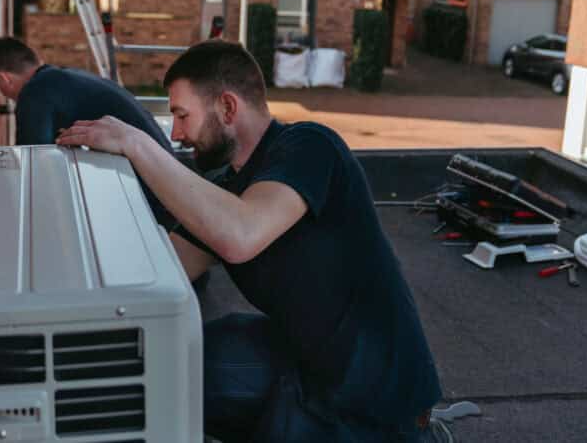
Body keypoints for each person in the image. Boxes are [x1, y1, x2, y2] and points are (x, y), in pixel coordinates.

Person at [57, 40, 440, 442]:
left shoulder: (311, 147)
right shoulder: (227, 187)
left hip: (373, 400)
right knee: (165, 367)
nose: (176, 133)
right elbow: (160, 269)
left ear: (227, 107)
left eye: (182, 115)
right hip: (304, 363)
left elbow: (240, 234)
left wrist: (137, 145)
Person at [0, 37, 177, 225]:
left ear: (4, 78)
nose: (3, 93)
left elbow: (33, 163)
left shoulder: (35, 92)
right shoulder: (61, 77)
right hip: (167, 171)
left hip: (157, 195)